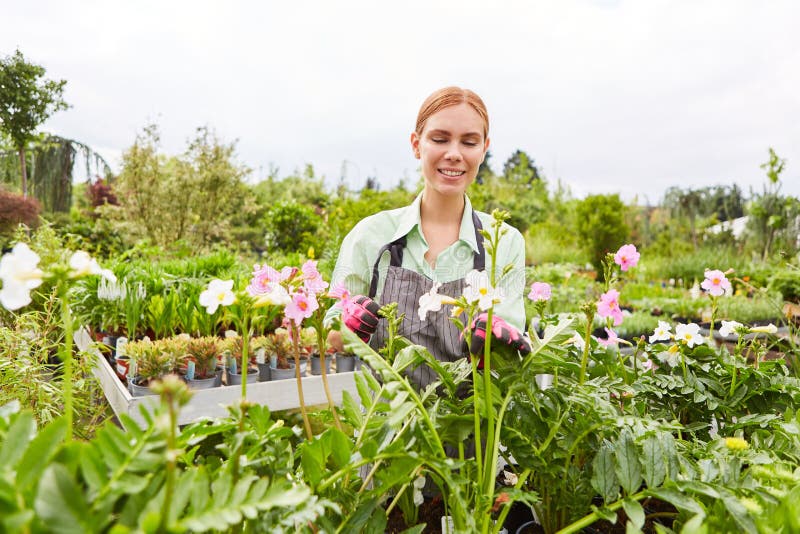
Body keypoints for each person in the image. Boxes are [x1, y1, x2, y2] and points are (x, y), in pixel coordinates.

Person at [327, 86, 529, 389]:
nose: (454, 154)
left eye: (469, 142)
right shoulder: (371, 236)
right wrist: (346, 327)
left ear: (483, 149)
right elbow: (330, 335)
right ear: (416, 144)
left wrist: (498, 343)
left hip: (473, 417)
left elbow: (510, 344)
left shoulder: (503, 241)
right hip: (388, 414)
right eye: (440, 139)